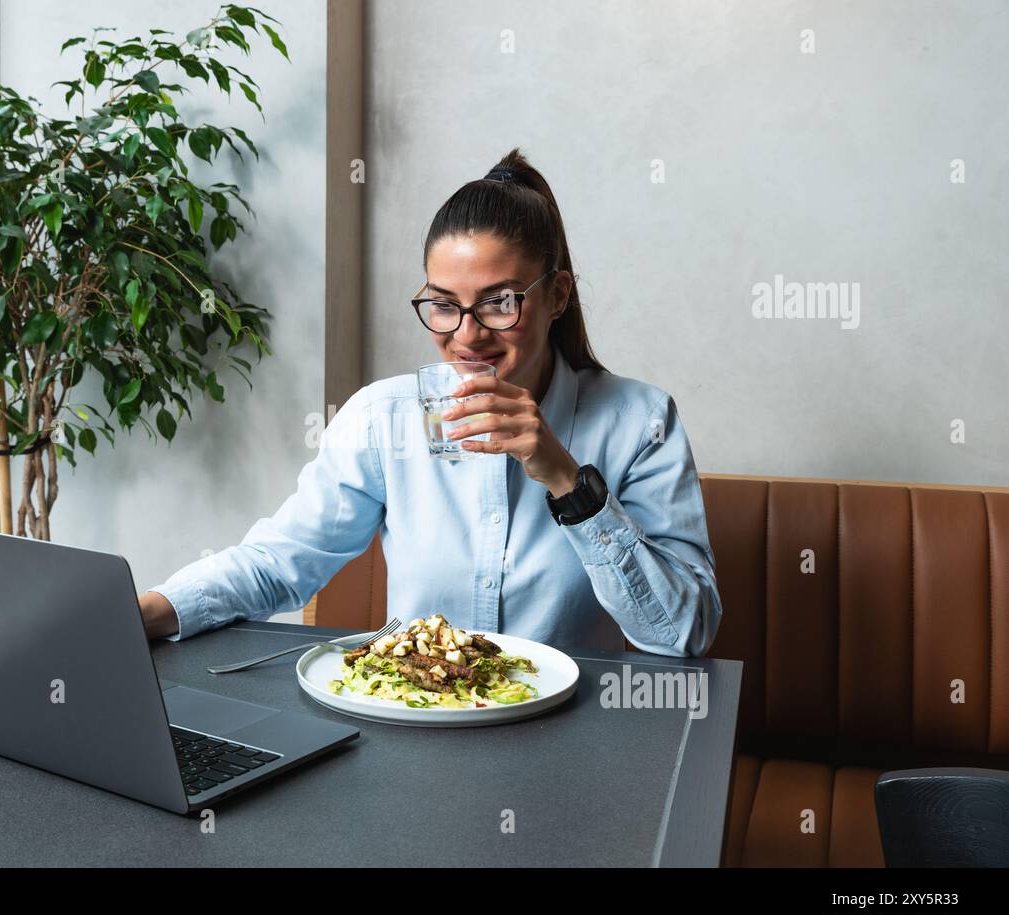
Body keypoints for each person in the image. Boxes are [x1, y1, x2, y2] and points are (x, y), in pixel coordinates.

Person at [138, 148, 721, 657]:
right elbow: (278, 564)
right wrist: (146, 611)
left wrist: (569, 481)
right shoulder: (382, 418)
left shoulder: (639, 422)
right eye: (443, 304)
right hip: (417, 723)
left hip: (567, 739)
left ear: (558, 295)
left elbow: (683, 633)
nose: (467, 336)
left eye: (499, 303)